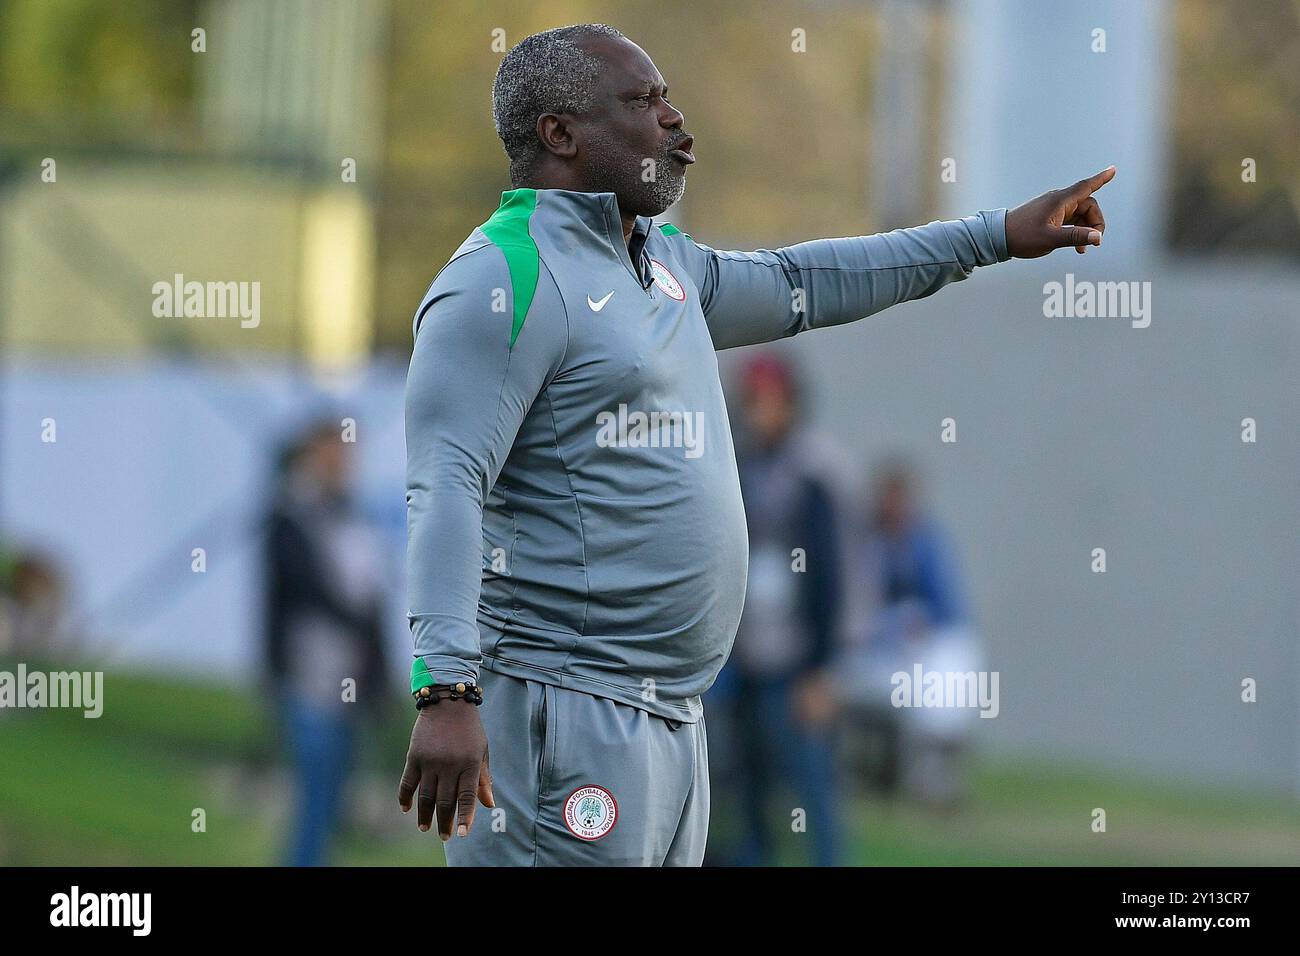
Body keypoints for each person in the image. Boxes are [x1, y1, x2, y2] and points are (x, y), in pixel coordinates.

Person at [398, 22, 1113, 866]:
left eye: (667, 96)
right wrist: (445, 690)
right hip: (565, 706)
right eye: (643, 99)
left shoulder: (661, 264)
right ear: (559, 134)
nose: (672, 118)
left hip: (674, 715)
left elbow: (805, 279)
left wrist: (994, 236)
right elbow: (446, 484)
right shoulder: (502, 278)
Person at [708, 354, 844, 866]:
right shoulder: (736, 469)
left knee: (813, 791)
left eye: (769, 402)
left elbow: (830, 582)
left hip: (794, 664)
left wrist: (822, 670)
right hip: (743, 660)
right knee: (747, 793)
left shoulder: (811, 476)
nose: (759, 413)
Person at [264, 420, 389, 866]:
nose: (343, 463)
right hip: (309, 677)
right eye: (332, 452)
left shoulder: (352, 519)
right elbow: (308, 589)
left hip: (349, 678)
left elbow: (372, 599)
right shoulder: (291, 516)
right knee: (314, 800)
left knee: (334, 800)